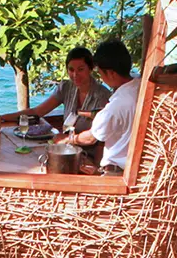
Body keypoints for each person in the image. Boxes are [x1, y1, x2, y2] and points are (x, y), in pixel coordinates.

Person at [55, 38, 138, 173]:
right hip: (130, 166)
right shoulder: (138, 85)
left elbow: (91, 137)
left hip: (116, 172)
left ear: (111, 73)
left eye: (100, 73)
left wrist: (68, 139)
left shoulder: (116, 105)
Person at [0, 46, 108, 130]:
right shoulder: (66, 87)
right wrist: (1, 117)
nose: (75, 75)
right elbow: (38, 111)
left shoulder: (103, 96)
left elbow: (103, 134)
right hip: (67, 147)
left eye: (81, 69)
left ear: (91, 69)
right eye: (71, 70)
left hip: (90, 153)